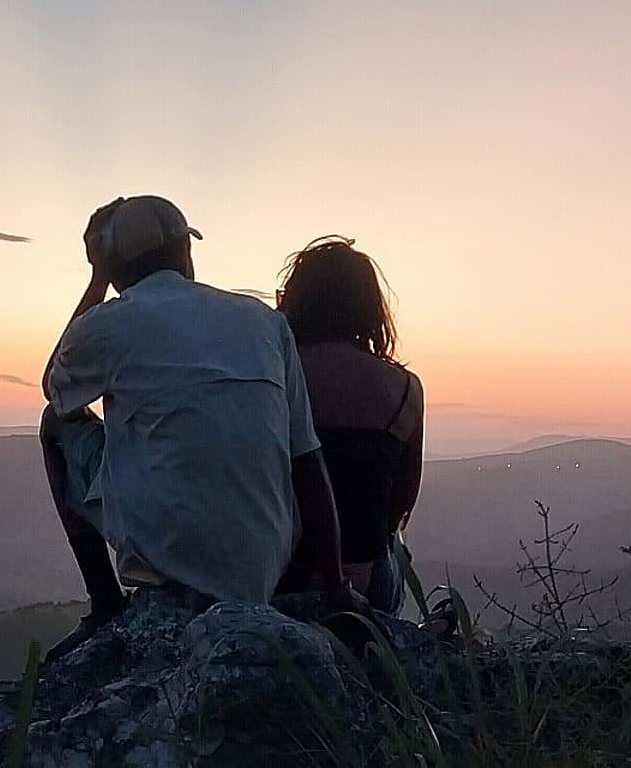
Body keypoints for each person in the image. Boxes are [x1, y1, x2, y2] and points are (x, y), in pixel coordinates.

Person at [39, 196, 366, 663]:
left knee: (55, 425)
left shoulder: (110, 324)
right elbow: (307, 460)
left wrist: (97, 279)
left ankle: (106, 603)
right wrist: (335, 590)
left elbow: (54, 387)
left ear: (117, 268)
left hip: (165, 555)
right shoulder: (264, 322)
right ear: (183, 252)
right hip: (266, 565)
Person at [276, 236, 425, 614]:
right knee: (395, 548)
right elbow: (401, 501)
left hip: (274, 574)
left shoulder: (272, 374)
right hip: (363, 580)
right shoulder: (404, 389)